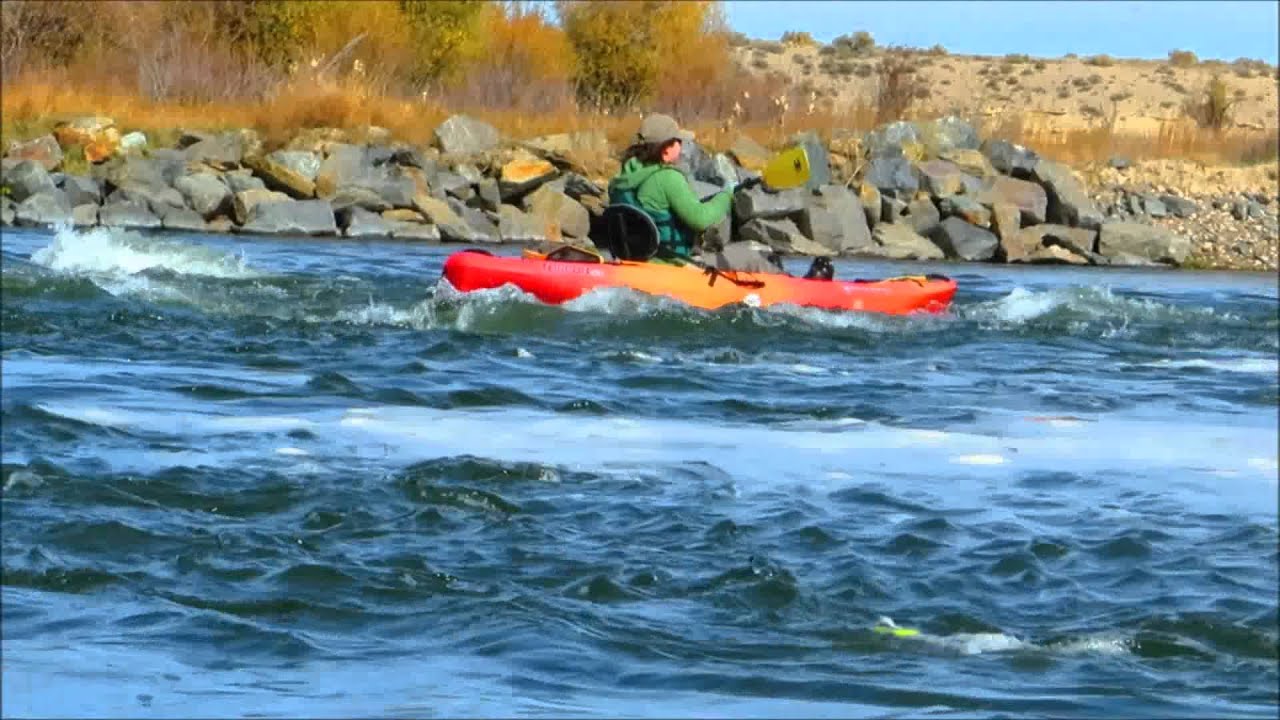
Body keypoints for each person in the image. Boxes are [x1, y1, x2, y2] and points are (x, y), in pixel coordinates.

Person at [607, 113, 784, 274]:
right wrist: (726, 196)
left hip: (633, 262)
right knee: (752, 258)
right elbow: (701, 219)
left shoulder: (619, 181)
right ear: (666, 150)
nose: (682, 146)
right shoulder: (667, 178)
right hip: (671, 265)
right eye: (679, 141)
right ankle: (799, 290)